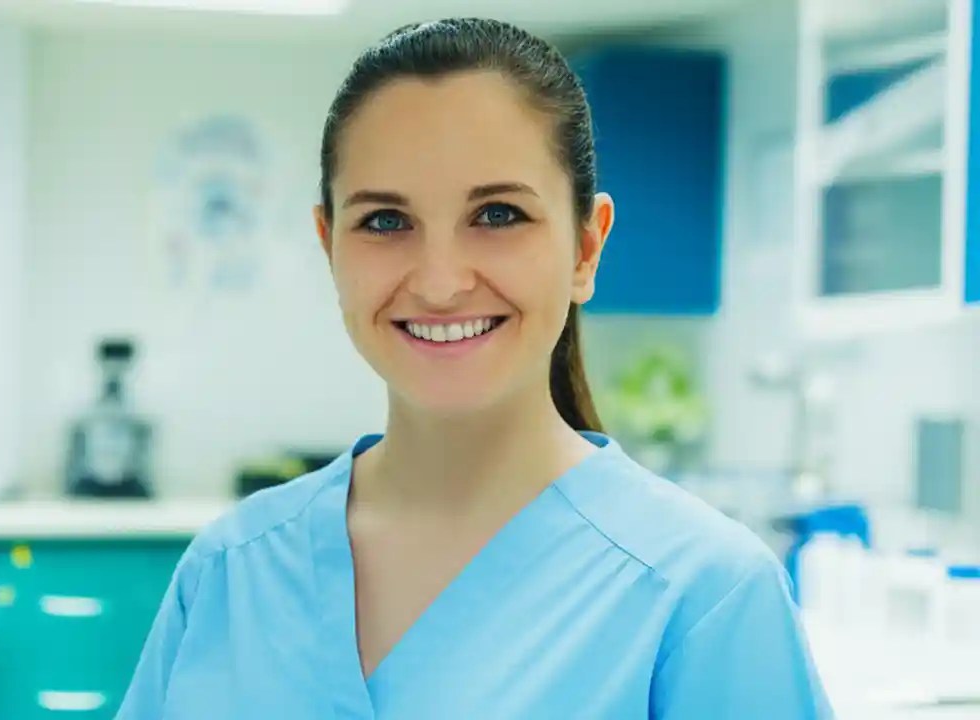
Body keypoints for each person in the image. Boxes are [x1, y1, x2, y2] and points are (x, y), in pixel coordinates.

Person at [117, 17, 832, 720]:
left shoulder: (705, 595)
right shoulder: (231, 571)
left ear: (587, 247)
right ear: (329, 244)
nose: (438, 281)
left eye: (496, 215)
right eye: (386, 222)